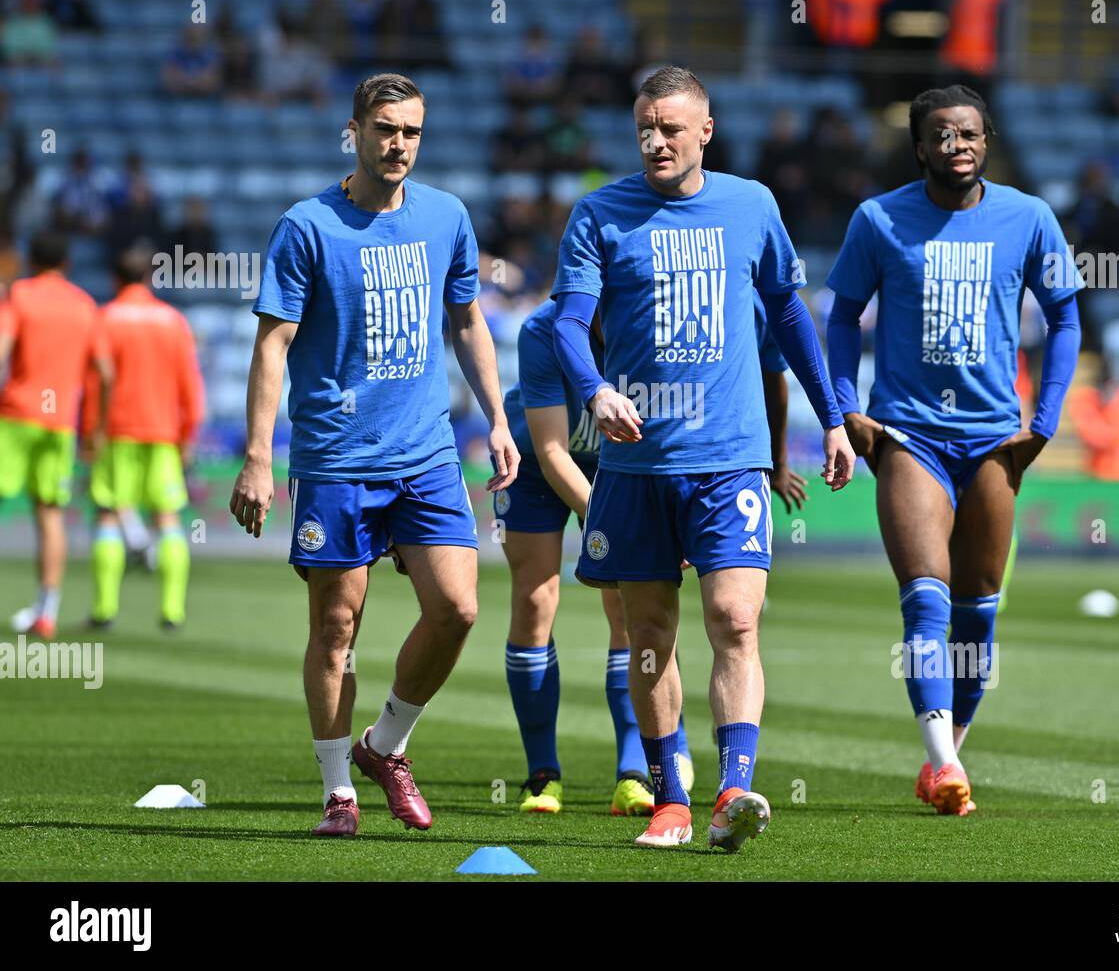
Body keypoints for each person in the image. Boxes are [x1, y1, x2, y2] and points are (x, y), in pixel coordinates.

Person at [551, 66, 854, 850]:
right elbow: (567, 322)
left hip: (728, 458)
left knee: (734, 618)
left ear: (705, 132)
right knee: (649, 635)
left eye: (671, 129)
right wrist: (593, 391)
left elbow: (789, 314)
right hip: (635, 462)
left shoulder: (751, 205)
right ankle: (670, 799)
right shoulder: (599, 215)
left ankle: (734, 792)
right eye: (645, 128)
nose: (656, 140)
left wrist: (832, 419)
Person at [228, 73, 519, 837]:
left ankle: (385, 746)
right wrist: (258, 454)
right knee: (336, 629)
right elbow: (272, 345)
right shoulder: (305, 227)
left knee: (457, 607)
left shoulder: (447, 217)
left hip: (426, 454)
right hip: (334, 458)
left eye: (412, 132)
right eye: (386, 129)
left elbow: (468, 321)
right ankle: (338, 794)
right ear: (353, 131)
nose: (399, 145)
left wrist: (497, 418)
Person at [825, 84, 1081, 816]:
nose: (955, 146)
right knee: (926, 602)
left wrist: (1047, 418)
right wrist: (846, 407)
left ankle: (947, 754)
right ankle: (943, 763)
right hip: (907, 433)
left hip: (996, 437)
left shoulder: (1029, 219)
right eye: (940, 136)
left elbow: (1065, 316)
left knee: (979, 615)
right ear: (919, 147)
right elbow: (842, 317)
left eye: (968, 134)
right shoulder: (879, 219)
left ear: (986, 141)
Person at [497, 287, 806, 816]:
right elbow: (551, 452)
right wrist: (619, 522)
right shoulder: (542, 330)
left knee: (629, 609)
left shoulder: (652, 319)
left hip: (627, 463)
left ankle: (633, 773)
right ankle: (542, 775)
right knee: (534, 601)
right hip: (538, 468)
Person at [82, 249, 204, 631]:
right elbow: (190, 386)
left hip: (116, 431)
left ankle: (104, 609)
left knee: (107, 513)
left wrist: (89, 431)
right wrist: (189, 434)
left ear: (115, 279)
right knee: (167, 516)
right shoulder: (173, 320)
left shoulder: (103, 319)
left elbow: (93, 382)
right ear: (149, 278)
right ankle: (172, 611)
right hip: (163, 432)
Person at [0, 232, 112, 639]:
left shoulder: (21, 295)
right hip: (59, 422)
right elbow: (105, 371)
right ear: (66, 264)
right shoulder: (84, 305)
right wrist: (94, 427)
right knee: (49, 514)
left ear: (31, 260)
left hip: (15, 417)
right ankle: (46, 612)